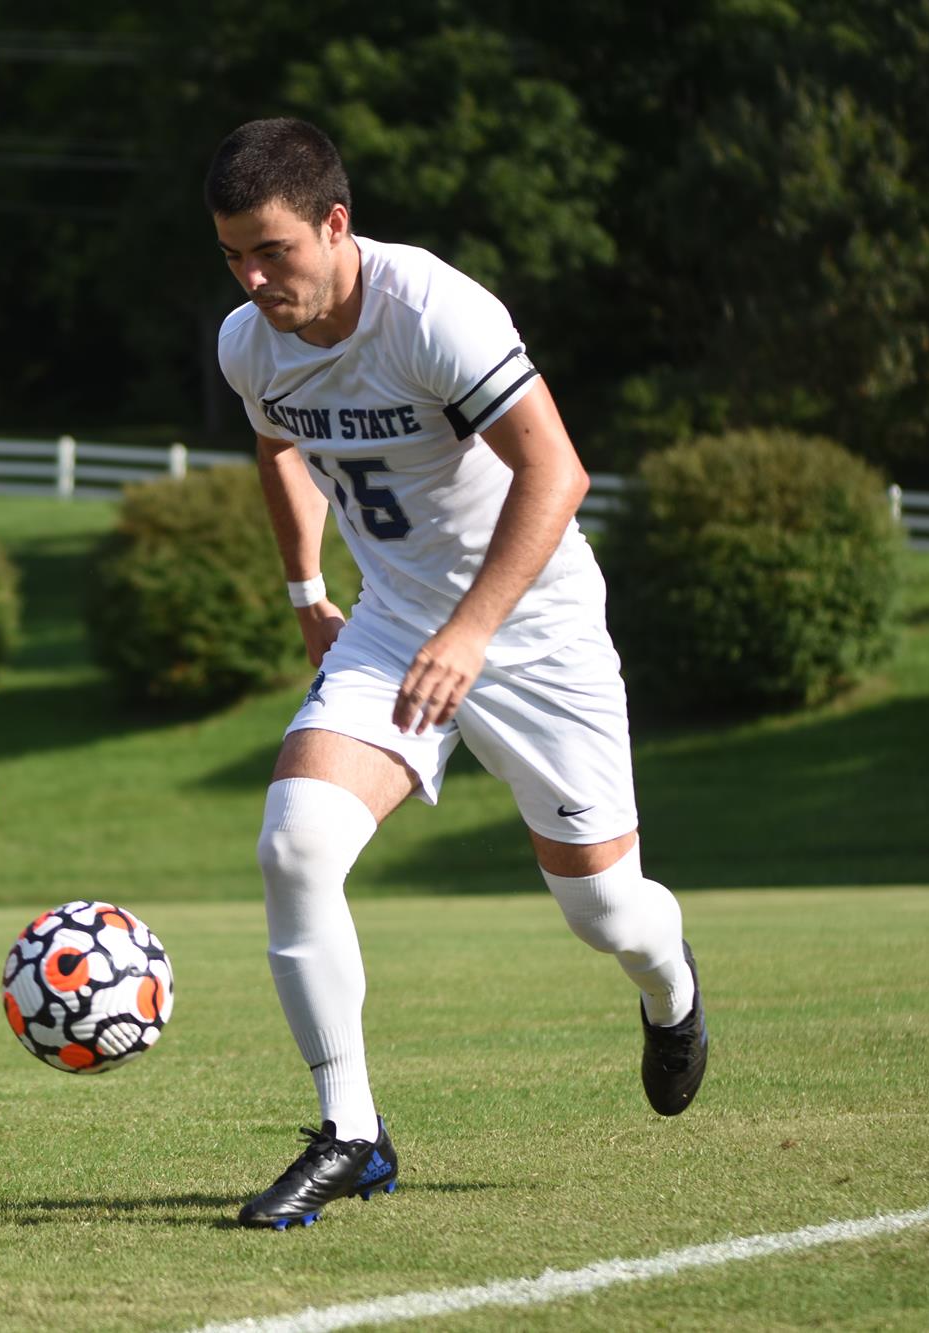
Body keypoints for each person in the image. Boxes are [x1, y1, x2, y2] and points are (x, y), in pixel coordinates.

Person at [206, 119, 706, 1230]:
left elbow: (556, 470)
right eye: (231, 253)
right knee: (292, 841)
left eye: (271, 250)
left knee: (604, 911)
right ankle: (350, 1135)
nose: (250, 277)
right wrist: (306, 591)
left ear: (335, 225)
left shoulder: (433, 310)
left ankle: (670, 991)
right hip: (392, 626)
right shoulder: (250, 340)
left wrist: (472, 631)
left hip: (534, 631)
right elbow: (278, 443)